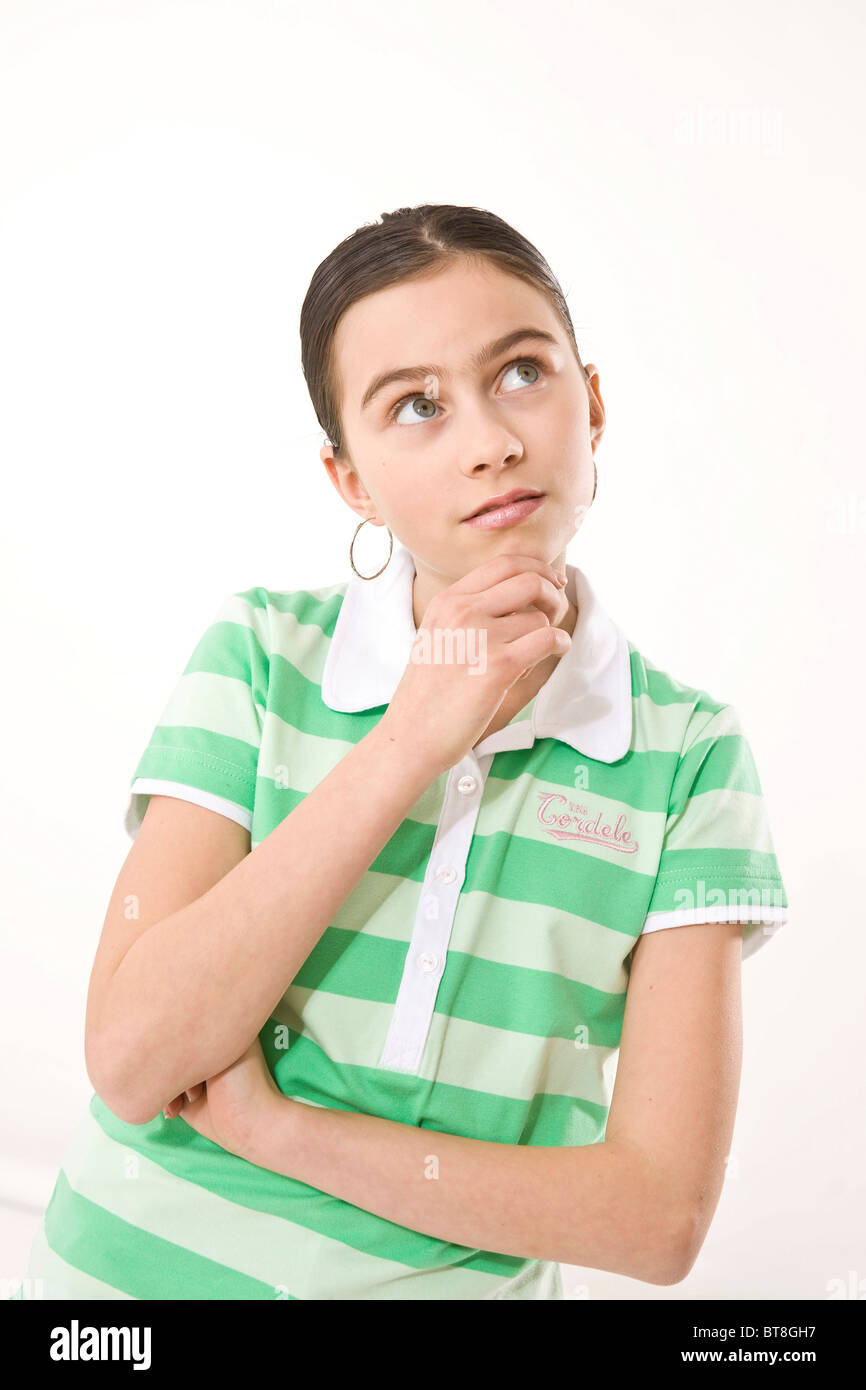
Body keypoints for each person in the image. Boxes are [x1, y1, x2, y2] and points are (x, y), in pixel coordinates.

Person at [13, 204, 788, 1301]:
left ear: (593, 401)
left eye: (520, 372)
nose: (489, 441)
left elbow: (655, 1220)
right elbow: (135, 1059)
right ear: (352, 483)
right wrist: (413, 735)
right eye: (414, 406)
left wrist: (281, 1132)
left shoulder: (689, 758)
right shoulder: (260, 653)